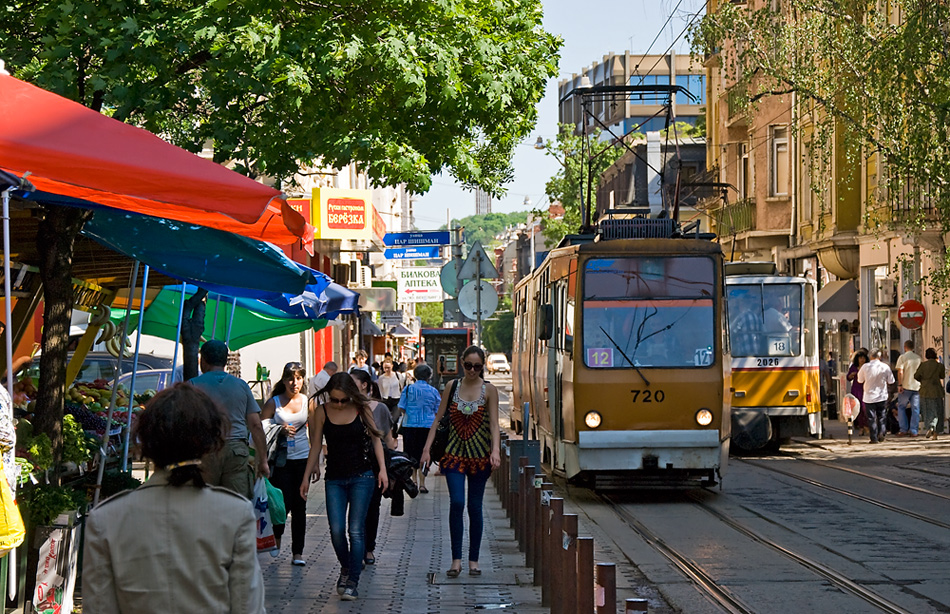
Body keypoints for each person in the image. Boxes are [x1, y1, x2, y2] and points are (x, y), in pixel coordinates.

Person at [83, 384, 265, 613]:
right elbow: (247, 606)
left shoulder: (106, 518)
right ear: (210, 443)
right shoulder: (235, 513)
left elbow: (99, 607)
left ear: (145, 442)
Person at [300, 372, 388, 602]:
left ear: (351, 395)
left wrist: (383, 470)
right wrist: (306, 477)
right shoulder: (322, 411)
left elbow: (376, 439)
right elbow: (316, 445)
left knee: (356, 530)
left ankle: (352, 582)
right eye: (334, 399)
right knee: (336, 530)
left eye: (343, 400)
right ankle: (347, 567)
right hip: (335, 478)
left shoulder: (362, 409)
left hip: (362, 476)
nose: (338, 404)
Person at [420, 346, 501, 578]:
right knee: (457, 502)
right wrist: (426, 449)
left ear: (483, 366)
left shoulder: (489, 390)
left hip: (479, 457)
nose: (472, 370)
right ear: (461, 363)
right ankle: (456, 559)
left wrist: (495, 450)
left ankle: (473, 560)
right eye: (468, 365)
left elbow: (494, 424)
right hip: (454, 454)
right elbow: (438, 419)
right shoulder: (452, 386)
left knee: (475, 507)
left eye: (477, 366)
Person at [190, 340, 268, 499]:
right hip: (236, 451)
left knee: (206, 502)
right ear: (225, 361)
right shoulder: (241, 386)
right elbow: (256, 425)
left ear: (202, 360)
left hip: (206, 449)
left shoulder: (192, 386)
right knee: (236, 503)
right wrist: (263, 460)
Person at [261, 362, 311, 565]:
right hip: (279, 461)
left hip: (302, 458)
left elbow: (316, 431)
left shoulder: (308, 401)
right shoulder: (274, 402)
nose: (294, 383)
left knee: (300, 506)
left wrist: (315, 462)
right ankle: (277, 538)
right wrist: (277, 427)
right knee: (280, 504)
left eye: (299, 378)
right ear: (283, 380)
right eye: (291, 378)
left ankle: (297, 552)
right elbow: (260, 428)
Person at [350, 369, 395, 566]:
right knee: (356, 507)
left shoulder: (380, 409)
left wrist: (389, 467)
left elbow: (388, 439)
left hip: (375, 463)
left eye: (354, 382)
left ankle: (369, 548)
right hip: (353, 461)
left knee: (372, 507)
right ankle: (358, 548)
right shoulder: (345, 407)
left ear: (365, 385)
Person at [398, 363, 442, 494]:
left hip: (410, 425)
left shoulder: (407, 389)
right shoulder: (433, 391)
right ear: (429, 376)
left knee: (411, 454)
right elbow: (438, 410)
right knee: (425, 453)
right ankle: (423, 483)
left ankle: (414, 481)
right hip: (428, 426)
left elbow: (401, 406)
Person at [858, 349, 895, 444]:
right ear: (880, 356)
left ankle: (873, 438)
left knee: (871, 418)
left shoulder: (865, 367)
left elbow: (860, 380)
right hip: (882, 396)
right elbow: (891, 381)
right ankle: (881, 432)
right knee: (882, 416)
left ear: (870, 356)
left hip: (869, 397)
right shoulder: (885, 367)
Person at [914, 348, 945, 439]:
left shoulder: (923, 365)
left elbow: (916, 376)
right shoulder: (939, 366)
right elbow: (942, 376)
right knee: (938, 411)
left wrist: (923, 381)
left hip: (925, 391)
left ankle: (930, 427)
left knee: (927, 411)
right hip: (937, 391)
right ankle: (936, 433)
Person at [895, 340, 922, 436]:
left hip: (905, 386)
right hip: (916, 386)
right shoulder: (918, 358)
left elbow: (900, 372)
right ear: (913, 347)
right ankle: (914, 431)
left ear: (905, 347)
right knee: (915, 409)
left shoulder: (902, 358)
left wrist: (900, 384)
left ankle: (903, 429)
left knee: (901, 407)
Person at [846, 350, 869, 435]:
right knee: (858, 408)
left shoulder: (867, 367)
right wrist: (851, 375)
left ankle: (866, 426)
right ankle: (861, 427)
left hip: (865, 389)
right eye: (860, 358)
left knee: (864, 408)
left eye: (863, 358)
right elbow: (848, 378)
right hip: (856, 389)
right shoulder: (854, 367)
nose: (862, 360)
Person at [377, 359, 403, 425]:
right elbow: (380, 389)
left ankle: (394, 433)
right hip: (386, 400)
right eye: (385, 368)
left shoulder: (398, 375)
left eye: (388, 367)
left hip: (396, 399)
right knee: (386, 419)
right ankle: (389, 433)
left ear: (392, 366)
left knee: (394, 419)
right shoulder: (381, 378)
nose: (386, 369)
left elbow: (402, 387)